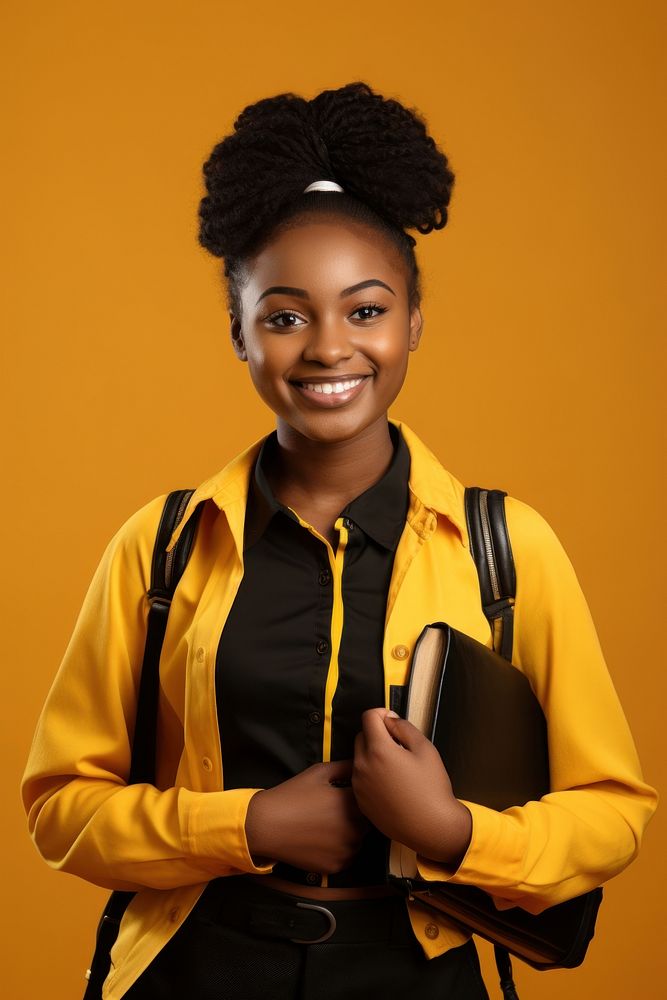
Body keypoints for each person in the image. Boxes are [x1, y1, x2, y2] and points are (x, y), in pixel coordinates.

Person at [21, 81, 657, 1000]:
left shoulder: (506, 546)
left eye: (365, 311)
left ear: (412, 323)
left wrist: (450, 835)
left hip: (418, 974)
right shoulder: (160, 546)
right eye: (285, 316)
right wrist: (250, 827)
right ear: (239, 334)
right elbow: (59, 809)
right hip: (199, 967)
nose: (328, 347)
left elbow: (611, 814)